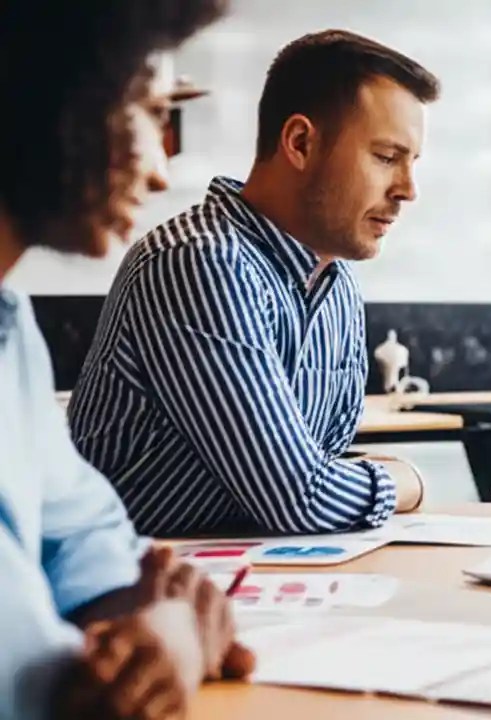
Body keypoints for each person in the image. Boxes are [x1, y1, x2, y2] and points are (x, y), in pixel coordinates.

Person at [68, 30, 441, 537]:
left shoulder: (336, 283)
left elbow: (318, 471)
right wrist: (409, 479)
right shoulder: (198, 262)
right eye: (385, 157)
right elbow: (300, 498)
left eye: (411, 162)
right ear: (300, 143)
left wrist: (347, 481)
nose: (408, 190)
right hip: (131, 590)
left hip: (262, 576)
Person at [0, 1, 253, 718]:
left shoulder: (10, 332)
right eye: (146, 111)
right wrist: (172, 637)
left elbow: (84, 532)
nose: (160, 170)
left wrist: (154, 612)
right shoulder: (199, 262)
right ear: (60, 100)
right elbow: (29, 684)